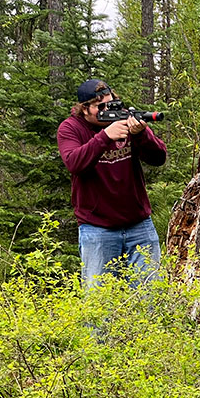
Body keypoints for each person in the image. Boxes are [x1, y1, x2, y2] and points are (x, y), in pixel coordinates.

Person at [57, 78, 168, 288]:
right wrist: (105, 136)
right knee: (99, 305)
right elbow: (74, 163)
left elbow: (159, 157)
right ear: (85, 109)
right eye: (101, 107)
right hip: (97, 228)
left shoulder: (126, 119)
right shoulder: (70, 128)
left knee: (150, 297)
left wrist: (141, 134)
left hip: (139, 226)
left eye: (111, 103)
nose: (107, 109)